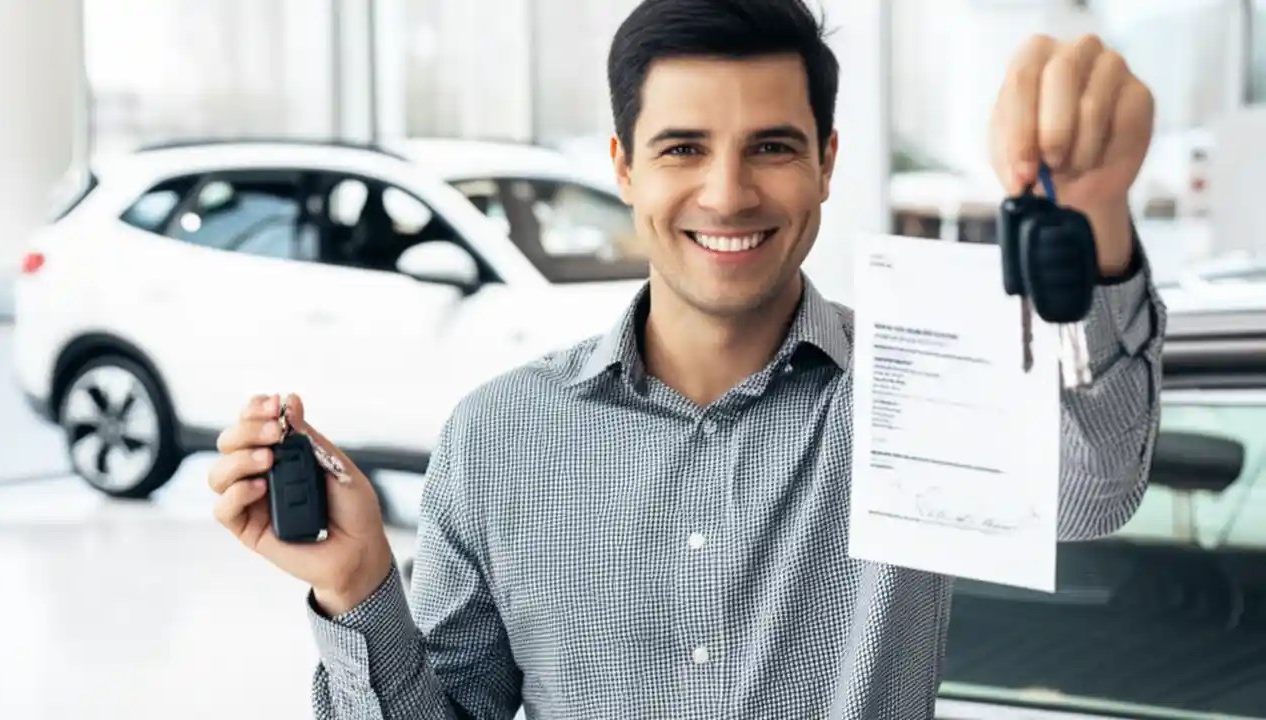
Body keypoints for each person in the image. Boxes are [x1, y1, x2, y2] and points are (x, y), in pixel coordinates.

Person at [207, 0, 1164, 717]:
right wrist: (358, 587)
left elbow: (1091, 489)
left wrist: (1098, 217)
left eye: (773, 147)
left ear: (828, 161)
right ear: (624, 167)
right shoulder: (500, 434)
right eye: (683, 148)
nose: (728, 191)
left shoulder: (911, 388)